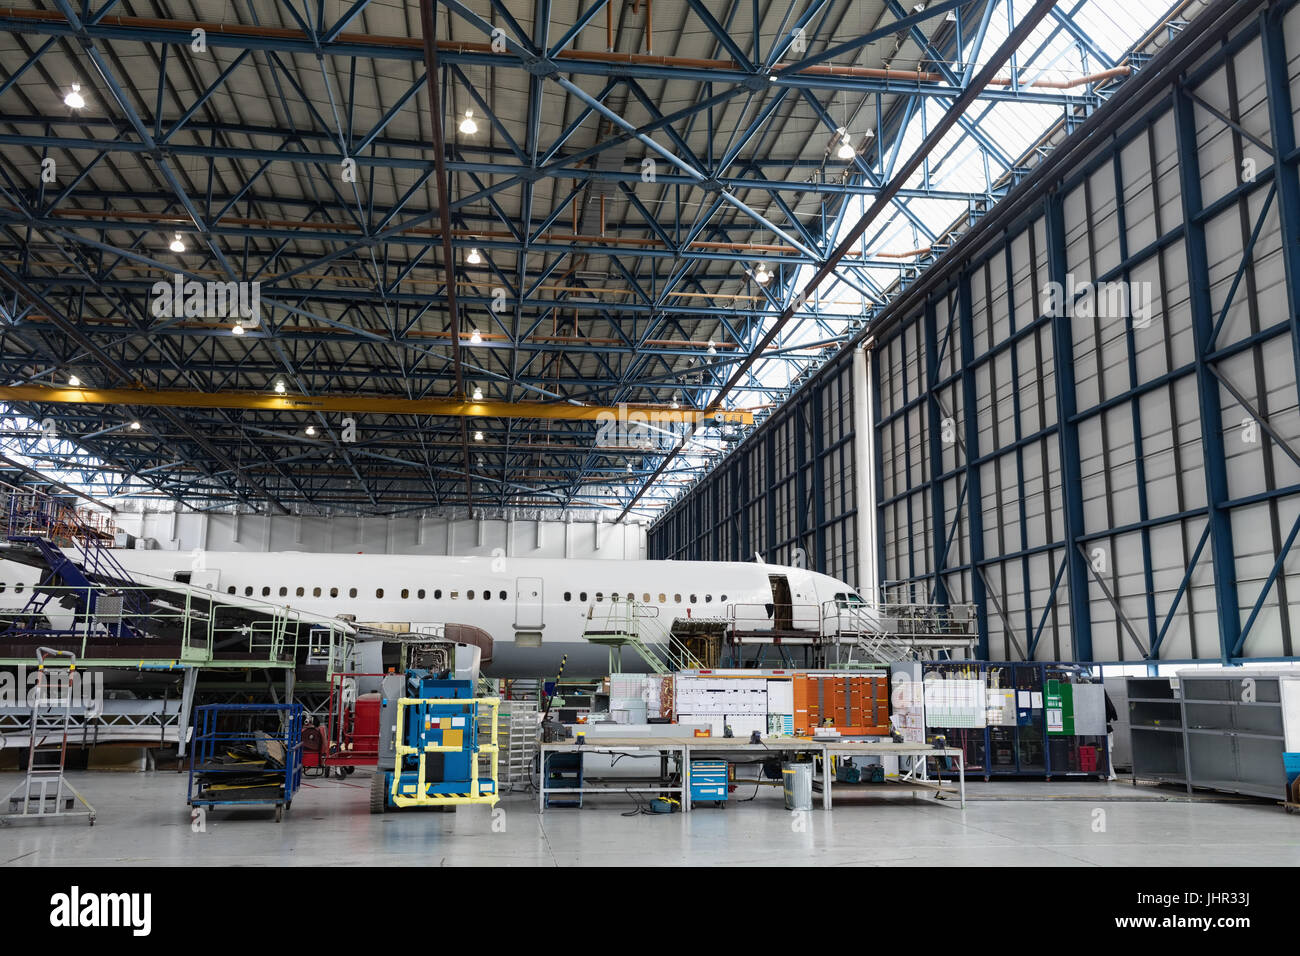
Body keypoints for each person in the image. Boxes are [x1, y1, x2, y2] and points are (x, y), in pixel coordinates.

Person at [1104, 690, 1119, 781]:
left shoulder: (1105, 705)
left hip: (1107, 732)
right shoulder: (1108, 704)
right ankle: (1111, 774)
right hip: (1108, 731)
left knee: (1108, 755)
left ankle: (1112, 775)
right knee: (1107, 755)